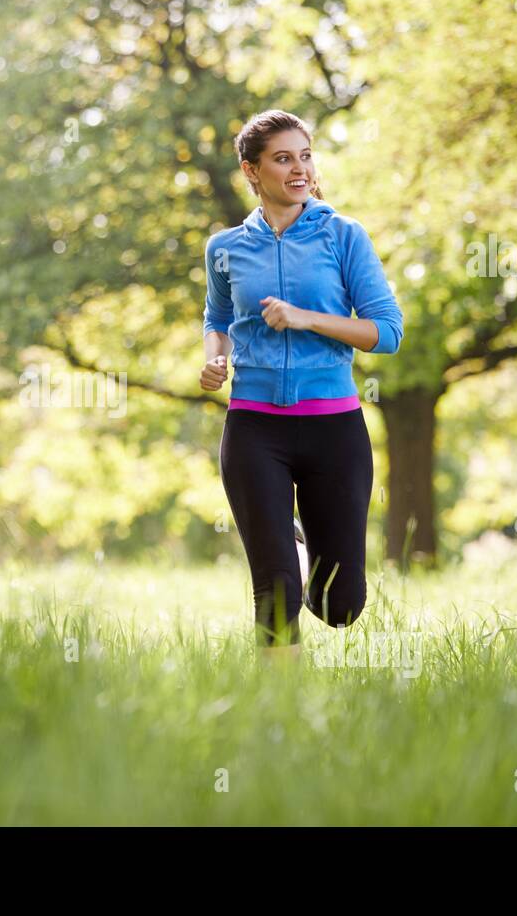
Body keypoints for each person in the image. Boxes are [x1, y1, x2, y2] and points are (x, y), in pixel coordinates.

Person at [198, 109, 404, 664]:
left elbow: (386, 332)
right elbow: (216, 318)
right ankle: (279, 713)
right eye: (282, 159)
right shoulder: (225, 248)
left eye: (305, 156)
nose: (298, 170)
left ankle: (304, 550)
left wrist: (308, 318)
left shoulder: (344, 236)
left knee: (341, 606)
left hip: (333, 430)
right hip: (254, 428)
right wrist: (214, 360)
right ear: (252, 170)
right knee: (275, 589)